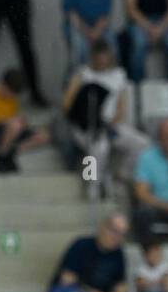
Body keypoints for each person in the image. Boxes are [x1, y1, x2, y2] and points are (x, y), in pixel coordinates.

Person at [59, 38, 149, 189]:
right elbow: (67, 105)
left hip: (110, 124)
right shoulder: (83, 74)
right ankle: (92, 184)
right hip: (86, 125)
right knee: (100, 148)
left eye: (104, 56)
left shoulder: (119, 74)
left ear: (109, 56)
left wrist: (111, 124)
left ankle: (122, 176)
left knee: (142, 143)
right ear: (92, 56)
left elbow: (121, 108)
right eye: (98, 57)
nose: (101, 60)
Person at [0, 69, 48, 173]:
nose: (11, 97)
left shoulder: (13, 99)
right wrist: (4, 121)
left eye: (14, 94)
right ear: (3, 85)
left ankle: (10, 153)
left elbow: (13, 119)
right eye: (10, 93)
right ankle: (0, 156)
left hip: (9, 131)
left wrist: (22, 123)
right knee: (14, 125)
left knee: (44, 135)